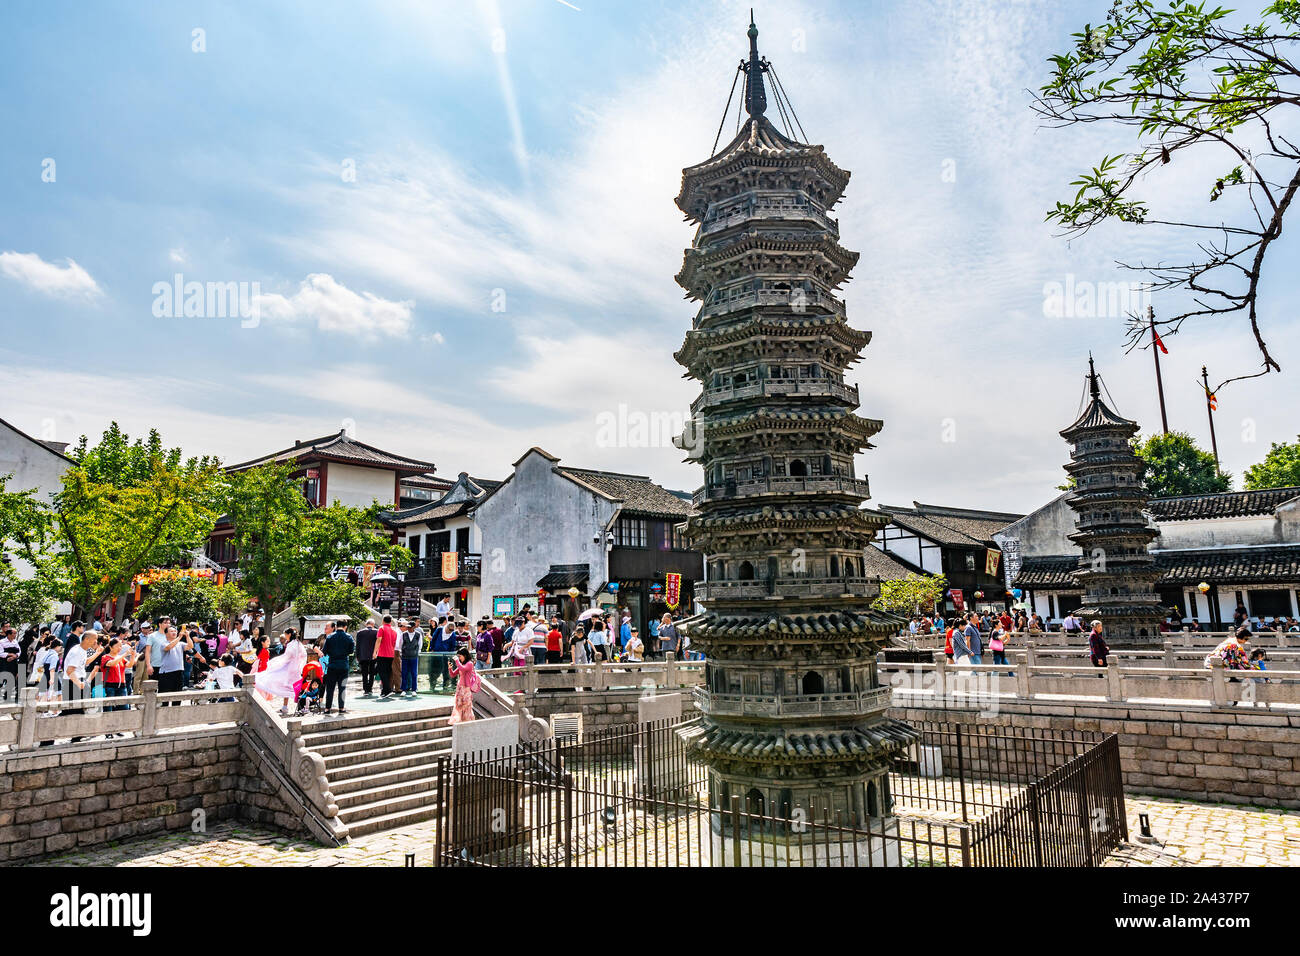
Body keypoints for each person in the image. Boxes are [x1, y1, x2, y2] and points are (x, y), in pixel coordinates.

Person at [258, 629, 308, 715]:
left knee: (286, 685)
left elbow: (288, 656)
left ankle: (296, 706)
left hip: (290, 667)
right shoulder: (297, 643)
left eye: (285, 634)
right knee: (289, 686)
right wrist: (299, 664)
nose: (285, 636)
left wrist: (279, 662)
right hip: (294, 668)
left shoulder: (292, 644)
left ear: (289, 634)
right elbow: (303, 655)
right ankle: (287, 707)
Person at [322, 621, 354, 714]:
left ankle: (328, 708)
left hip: (332, 664)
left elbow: (325, 651)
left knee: (330, 688)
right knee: (342, 687)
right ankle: (341, 708)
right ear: (345, 627)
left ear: (336, 626)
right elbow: (351, 651)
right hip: (343, 665)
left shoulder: (330, 637)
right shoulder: (349, 637)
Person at [447, 648, 479, 725]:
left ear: (464, 655)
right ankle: (459, 720)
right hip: (460, 688)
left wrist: (457, 661)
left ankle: (467, 722)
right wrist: (450, 668)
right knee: (458, 705)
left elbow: (463, 669)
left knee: (466, 705)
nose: (459, 658)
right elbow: (453, 674)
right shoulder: (462, 664)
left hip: (466, 689)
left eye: (460, 656)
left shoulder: (469, 664)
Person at [374, 615, 399, 699]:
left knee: (382, 672)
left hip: (382, 653)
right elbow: (394, 643)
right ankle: (385, 691)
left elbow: (378, 640)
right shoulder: (394, 630)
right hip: (391, 654)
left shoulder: (382, 628)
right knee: (387, 673)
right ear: (390, 621)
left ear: (383, 621)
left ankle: (387, 690)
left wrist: (375, 652)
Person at [355, 618, 379, 696]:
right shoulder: (376, 632)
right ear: (373, 624)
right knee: (372, 673)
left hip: (363, 655)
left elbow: (357, 646)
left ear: (366, 624)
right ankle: (370, 688)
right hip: (373, 655)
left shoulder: (360, 633)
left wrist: (357, 656)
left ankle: (365, 689)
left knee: (364, 673)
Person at [399, 619, 422, 698]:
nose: (408, 628)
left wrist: (417, 653)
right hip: (405, 656)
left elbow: (420, 644)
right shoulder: (404, 634)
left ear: (414, 627)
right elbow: (400, 644)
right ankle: (403, 690)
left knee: (414, 673)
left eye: (410, 627)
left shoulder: (418, 634)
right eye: (408, 627)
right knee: (404, 673)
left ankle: (414, 689)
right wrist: (401, 653)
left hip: (414, 656)